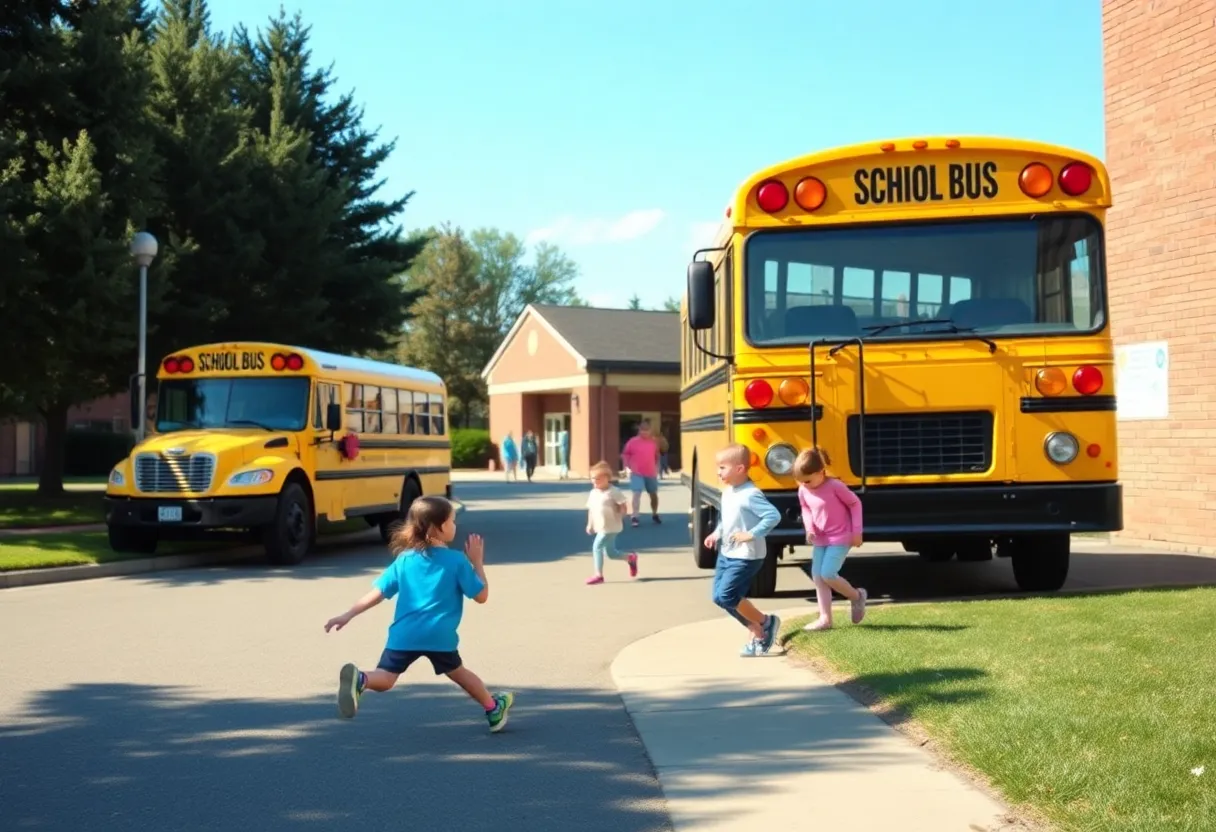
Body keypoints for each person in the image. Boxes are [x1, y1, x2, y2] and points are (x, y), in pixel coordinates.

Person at [323, 495, 515, 732]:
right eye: (452, 521)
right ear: (439, 527)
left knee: (386, 677)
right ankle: (493, 708)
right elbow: (481, 596)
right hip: (438, 636)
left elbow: (378, 593)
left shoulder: (404, 560)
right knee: (460, 674)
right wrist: (477, 562)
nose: (455, 526)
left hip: (404, 634)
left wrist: (348, 614)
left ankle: (362, 680)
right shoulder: (457, 561)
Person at [703, 444, 782, 656]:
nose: (718, 472)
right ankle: (755, 628)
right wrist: (716, 534)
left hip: (746, 556)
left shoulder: (751, 494)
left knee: (728, 596)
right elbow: (727, 519)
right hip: (727, 553)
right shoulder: (728, 492)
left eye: (722, 467)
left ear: (739, 469)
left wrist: (752, 534)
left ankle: (766, 623)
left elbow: (773, 516)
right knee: (719, 598)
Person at [794, 446, 867, 631]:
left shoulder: (835, 486)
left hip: (841, 537)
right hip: (820, 539)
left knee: (828, 574)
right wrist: (809, 528)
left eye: (808, 480)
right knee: (818, 577)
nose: (804, 485)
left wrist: (856, 531)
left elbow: (855, 503)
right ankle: (825, 619)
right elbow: (806, 508)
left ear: (821, 472)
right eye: (800, 481)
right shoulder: (803, 489)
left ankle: (856, 596)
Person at [584, 461, 639, 585]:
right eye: (593, 479)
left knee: (596, 546)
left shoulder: (613, 491)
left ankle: (598, 575)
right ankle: (630, 558)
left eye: (598, 479)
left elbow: (624, 505)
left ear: (607, 478)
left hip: (611, 525)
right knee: (611, 553)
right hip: (600, 525)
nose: (595, 481)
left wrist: (622, 515)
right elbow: (591, 510)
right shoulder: (593, 493)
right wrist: (590, 524)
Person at [621, 419, 661, 527]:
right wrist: (626, 467)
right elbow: (625, 454)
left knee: (653, 495)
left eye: (647, 430)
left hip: (650, 472)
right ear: (639, 430)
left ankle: (654, 513)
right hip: (636, 472)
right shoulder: (632, 442)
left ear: (650, 430)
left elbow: (657, 456)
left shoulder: (654, 442)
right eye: (642, 430)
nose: (644, 432)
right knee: (636, 493)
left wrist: (657, 467)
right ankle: (635, 516)